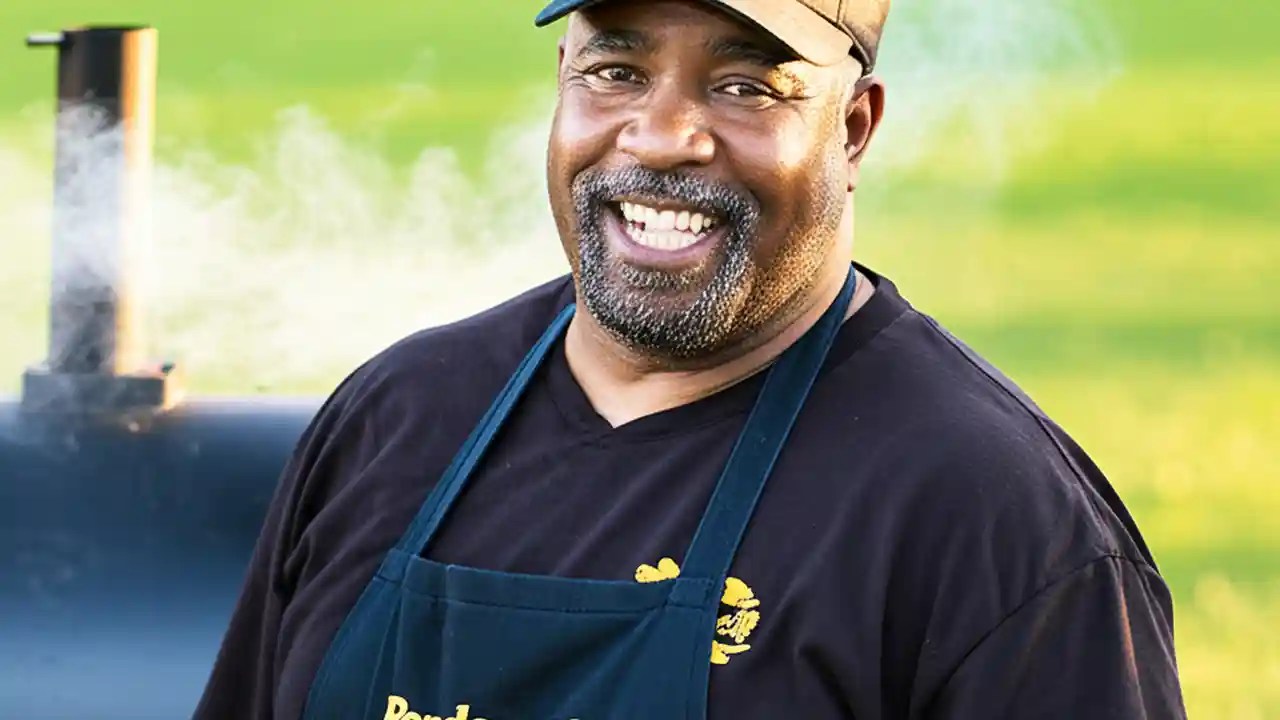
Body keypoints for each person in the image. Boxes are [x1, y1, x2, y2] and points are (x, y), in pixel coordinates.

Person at [194, 0, 1187, 718]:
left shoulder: (985, 510)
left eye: (744, 85)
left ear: (850, 130)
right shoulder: (398, 414)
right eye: (616, 71)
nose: (662, 136)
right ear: (562, 87)